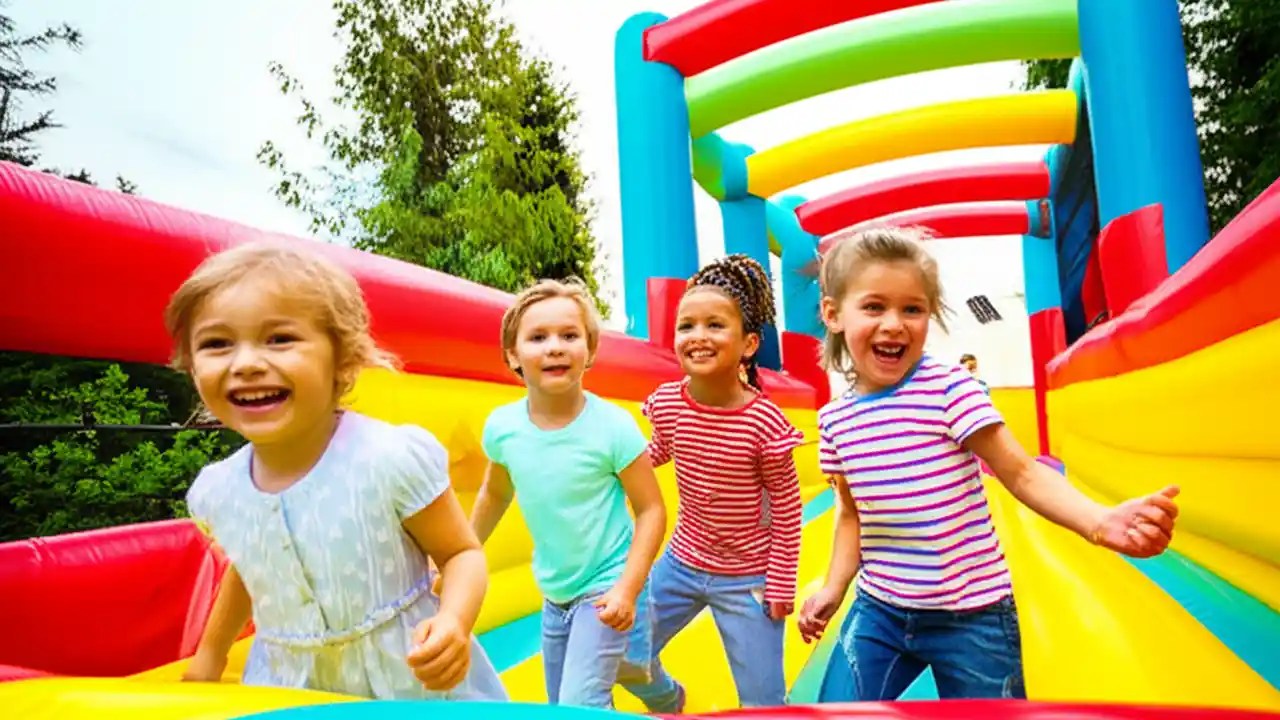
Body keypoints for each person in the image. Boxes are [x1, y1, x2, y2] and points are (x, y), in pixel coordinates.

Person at [796, 227, 1180, 701]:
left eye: (912, 309)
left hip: (972, 615)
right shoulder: (835, 420)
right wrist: (833, 588)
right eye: (874, 307)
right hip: (882, 611)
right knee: (837, 709)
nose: (894, 324)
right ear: (833, 314)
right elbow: (851, 514)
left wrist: (1099, 522)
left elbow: (1021, 471)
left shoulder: (948, 389)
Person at [169, 241, 507, 701]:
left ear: (342, 356)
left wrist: (453, 621)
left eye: (279, 339)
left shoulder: (385, 459)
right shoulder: (219, 490)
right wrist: (210, 656)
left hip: (405, 679)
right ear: (191, 366)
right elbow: (253, 567)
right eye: (216, 344)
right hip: (288, 684)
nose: (245, 363)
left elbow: (460, 553)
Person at [469, 278, 667, 709]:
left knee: (580, 705)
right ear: (513, 355)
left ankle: (656, 684)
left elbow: (651, 509)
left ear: (590, 350)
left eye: (569, 335)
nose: (555, 347)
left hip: (608, 581)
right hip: (555, 591)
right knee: (566, 700)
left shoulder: (613, 427)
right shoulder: (504, 428)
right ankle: (667, 695)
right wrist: (460, 552)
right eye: (538, 337)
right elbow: (494, 495)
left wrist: (627, 589)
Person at [622, 254, 805, 711]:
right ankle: (668, 697)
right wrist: (614, 467)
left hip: (748, 578)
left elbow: (786, 507)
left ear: (748, 344)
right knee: (623, 654)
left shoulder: (762, 421)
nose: (698, 336)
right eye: (686, 326)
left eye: (715, 325)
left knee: (763, 704)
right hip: (681, 564)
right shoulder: (668, 402)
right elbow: (659, 450)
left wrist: (781, 581)